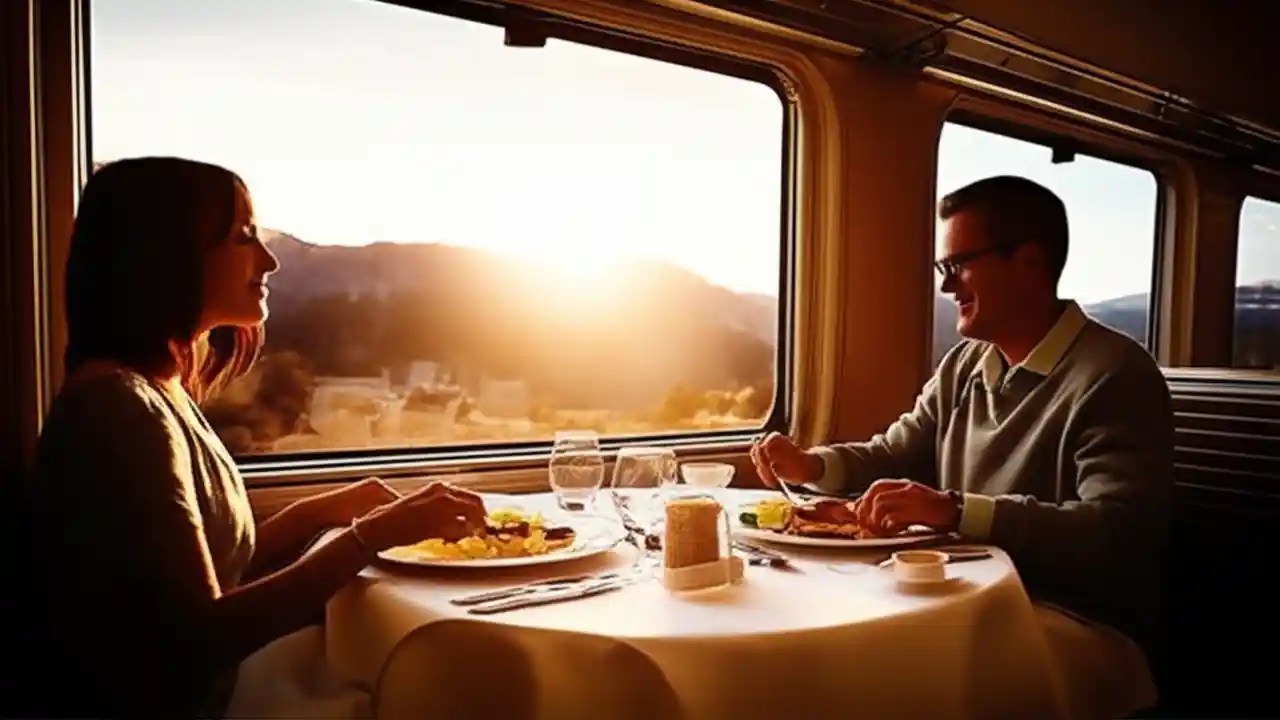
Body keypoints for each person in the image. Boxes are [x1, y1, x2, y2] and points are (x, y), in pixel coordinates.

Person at [9, 157, 487, 718]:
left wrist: (317, 512)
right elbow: (199, 637)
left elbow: (201, 571)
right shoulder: (116, 412)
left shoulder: (156, 390)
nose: (269, 259)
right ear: (167, 253)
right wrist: (368, 536)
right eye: (242, 237)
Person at [752, 176, 1170, 708]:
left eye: (958, 266)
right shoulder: (966, 365)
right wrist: (811, 465)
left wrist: (954, 511)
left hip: (1072, 617)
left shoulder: (1115, 375)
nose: (947, 288)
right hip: (965, 596)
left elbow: (1118, 533)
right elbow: (896, 452)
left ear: (1029, 262)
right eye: (943, 270)